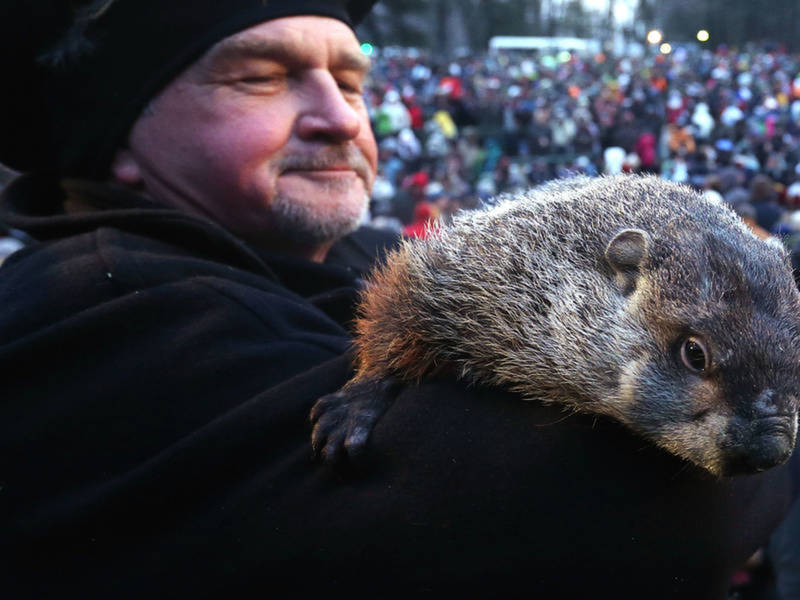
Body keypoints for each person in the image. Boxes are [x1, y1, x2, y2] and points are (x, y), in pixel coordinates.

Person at [0, 2, 797, 598]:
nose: (341, 115)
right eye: (261, 78)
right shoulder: (94, 309)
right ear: (118, 138)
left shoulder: (341, 249)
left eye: (351, 78)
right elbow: (612, 516)